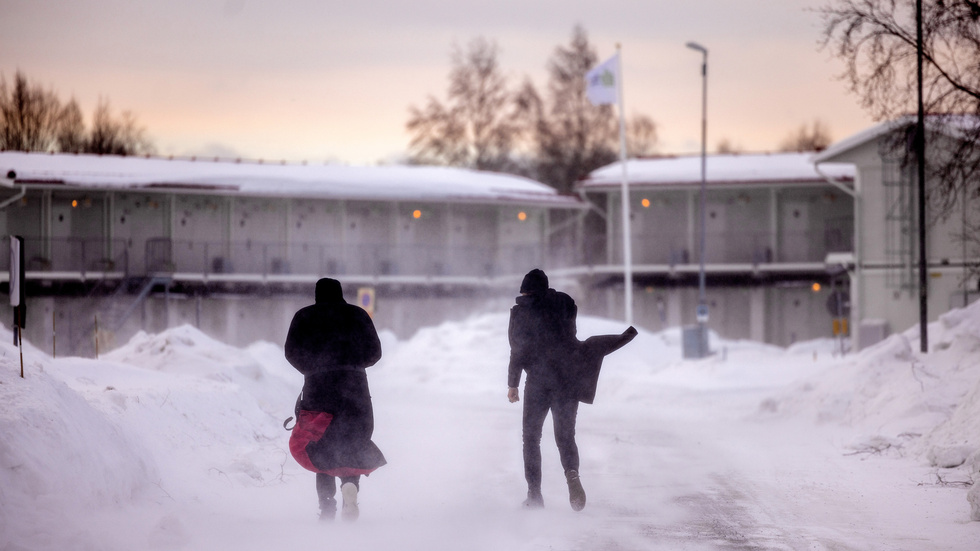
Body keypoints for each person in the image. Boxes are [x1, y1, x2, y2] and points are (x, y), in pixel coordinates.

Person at [507, 268, 636, 512]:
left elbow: (518, 349)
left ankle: (534, 496)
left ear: (527, 290)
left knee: (531, 438)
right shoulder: (565, 304)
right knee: (565, 436)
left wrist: (513, 383)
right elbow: (570, 335)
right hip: (567, 380)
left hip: (538, 382)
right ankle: (572, 475)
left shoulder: (521, 312)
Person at [285, 278, 386, 521]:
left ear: (317, 294)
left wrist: (312, 369)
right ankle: (349, 487)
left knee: (321, 444)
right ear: (340, 293)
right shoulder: (358, 314)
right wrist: (353, 366)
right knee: (352, 440)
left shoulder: (304, 316)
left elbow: (291, 351)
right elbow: (375, 352)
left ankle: (327, 505)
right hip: (354, 388)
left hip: (318, 389)